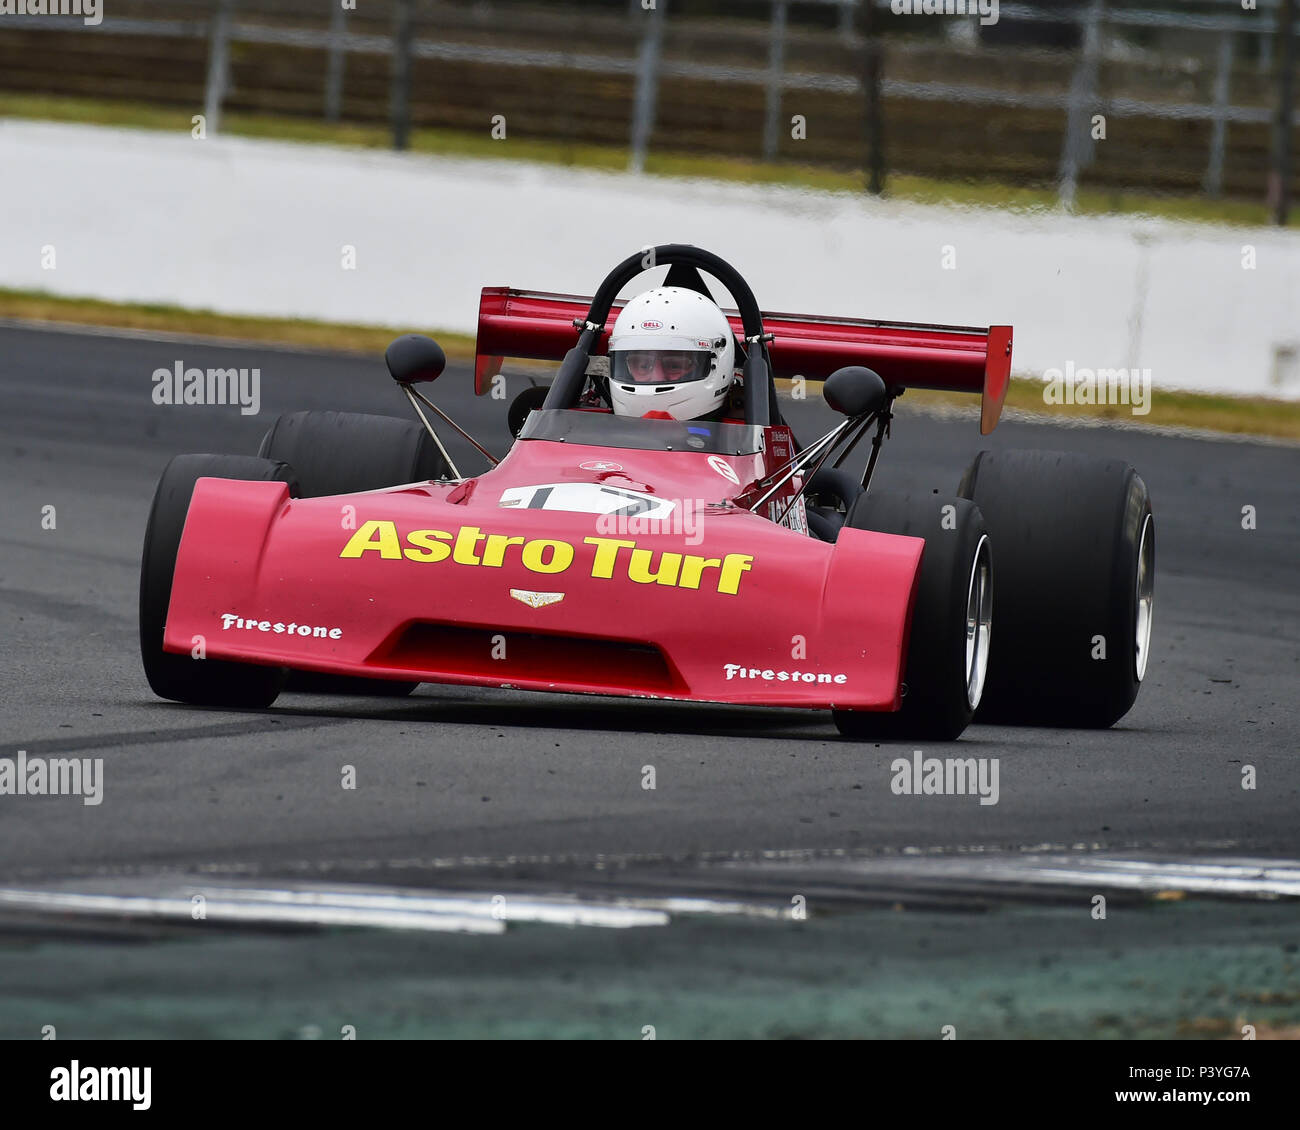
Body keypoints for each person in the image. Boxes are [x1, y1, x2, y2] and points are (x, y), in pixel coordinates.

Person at [606, 286, 737, 421]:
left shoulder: (741, 437)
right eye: (643, 366)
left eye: (675, 366)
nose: (656, 377)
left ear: (718, 365)